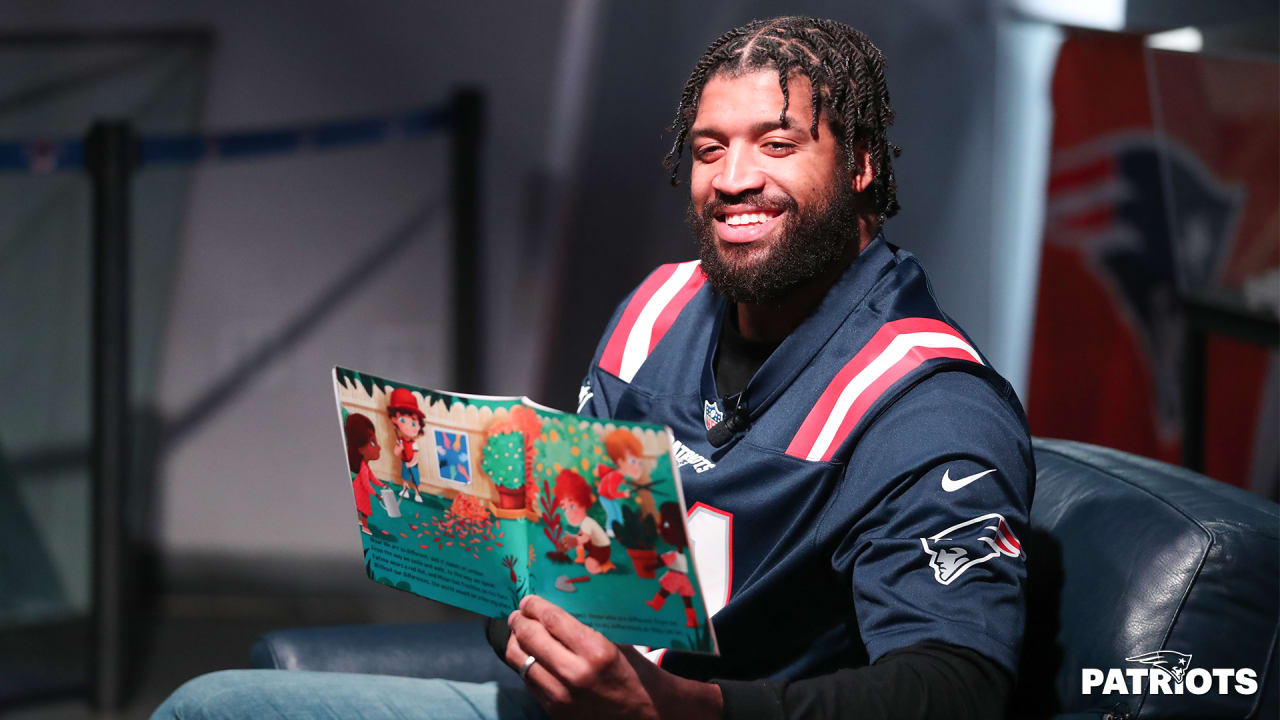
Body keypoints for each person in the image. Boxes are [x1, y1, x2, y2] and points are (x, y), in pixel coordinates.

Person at [153, 16, 1031, 720]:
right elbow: (569, 563)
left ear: (861, 166)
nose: (733, 179)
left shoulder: (928, 402)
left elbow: (958, 687)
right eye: (709, 149)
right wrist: (519, 609)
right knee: (214, 706)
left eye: (777, 144)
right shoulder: (656, 310)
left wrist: (683, 708)